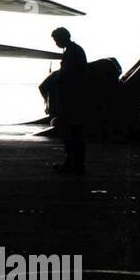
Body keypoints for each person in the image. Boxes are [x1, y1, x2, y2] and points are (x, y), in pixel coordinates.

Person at [50, 27, 87, 175]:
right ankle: (73, 163)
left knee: (72, 132)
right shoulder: (75, 50)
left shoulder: (72, 52)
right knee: (73, 132)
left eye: (56, 40)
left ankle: (74, 164)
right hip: (74, 97)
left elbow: (69, 75)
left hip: (71, 99)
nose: (56, 43)